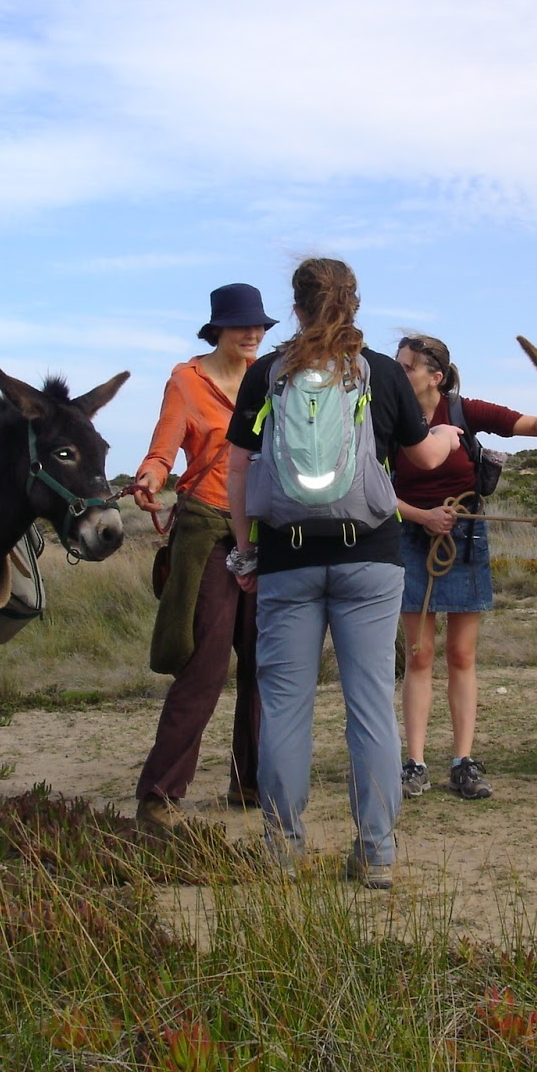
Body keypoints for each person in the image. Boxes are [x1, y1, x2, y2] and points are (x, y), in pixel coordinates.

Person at [225, 258, 460, 889]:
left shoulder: (264, 379)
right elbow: (420, 454)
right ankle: (377, 851)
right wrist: (454, 430)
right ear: (354, 304)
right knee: (371, 708)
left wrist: (246, 551)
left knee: (283, 706)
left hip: (286, 559)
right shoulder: (383, 373)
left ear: (296, 308)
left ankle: (283, 849)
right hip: (370, 557)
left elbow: (241, 469)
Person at [131, 282, 277, 833]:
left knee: (265, 664)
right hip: (209, 528)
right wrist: (150, 476)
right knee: (205, 664)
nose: (253, 333)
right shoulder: (186, 380)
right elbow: (163, 447)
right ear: (216, 328)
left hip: (267, 530)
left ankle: (251, 781)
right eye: (242, 325)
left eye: (259, 325)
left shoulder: (271, 379)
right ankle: (158, 795)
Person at [391, 333, 537, 802]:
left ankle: (463, 761)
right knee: (420, 654)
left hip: (465, 536)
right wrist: (423, 516)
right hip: (410, 536)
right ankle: (415, 763)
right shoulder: (388, 415)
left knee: (462, 656)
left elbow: (521, 422)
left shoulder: (463, 410)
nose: (399, 373)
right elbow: (374, 487)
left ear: (435, 376)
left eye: (407, 367)